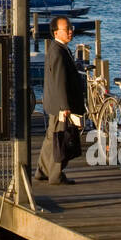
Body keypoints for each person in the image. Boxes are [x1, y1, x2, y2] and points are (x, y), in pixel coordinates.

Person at [36, 15, 86, 185]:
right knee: (60, 139)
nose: (71, 31)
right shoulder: (58, 51)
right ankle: (56, 175)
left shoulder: (57, 49)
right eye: (67, 29)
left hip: (54, 103)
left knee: (51, 137)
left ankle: (42, 171)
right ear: (56, 32)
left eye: (71, 28)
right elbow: (59, 81)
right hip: (60, 105)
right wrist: (65, 107)